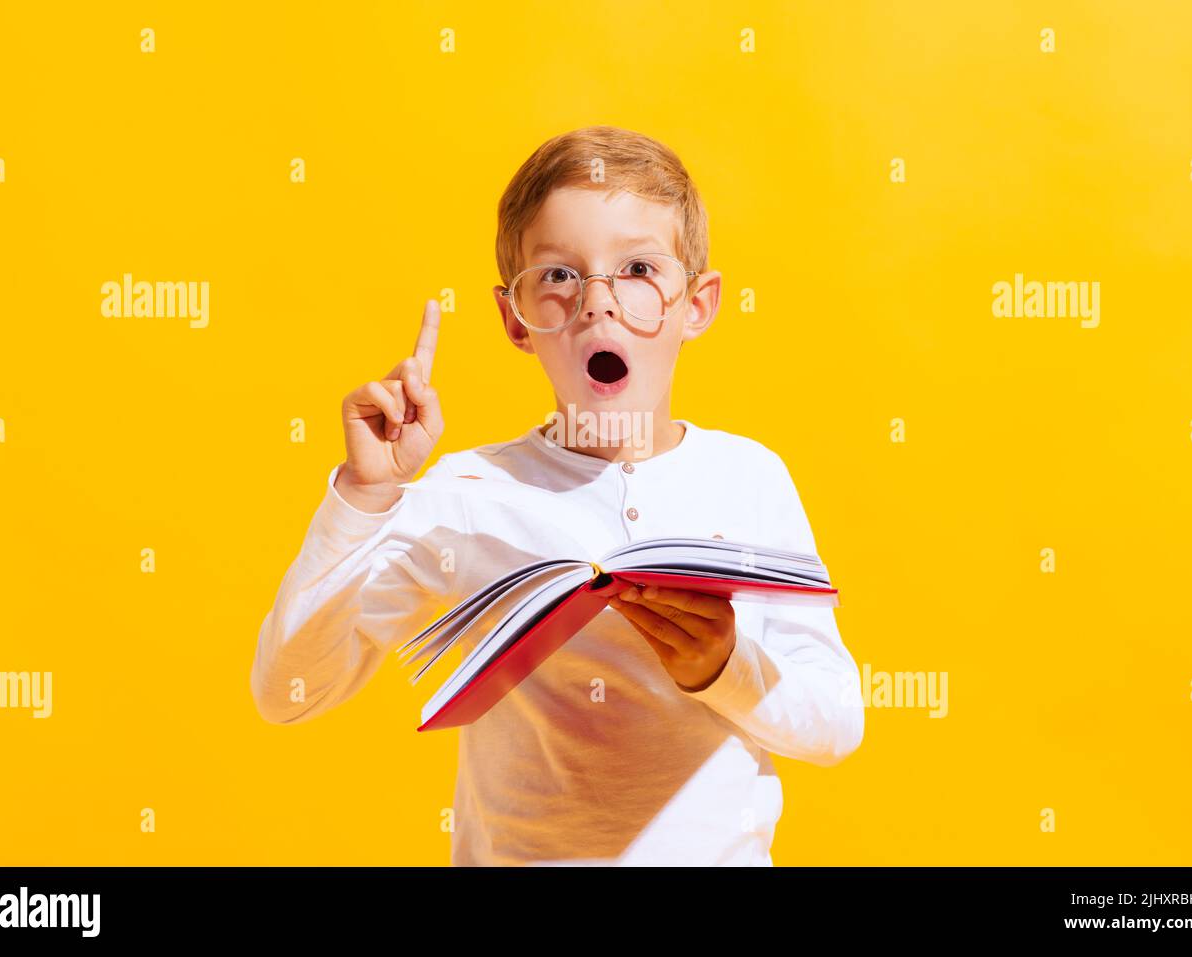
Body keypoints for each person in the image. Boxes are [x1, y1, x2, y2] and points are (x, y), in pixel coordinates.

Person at [250, 125, 864, 865]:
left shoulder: (750, 477)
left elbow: (836, 723)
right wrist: (365, 495)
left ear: (695, 305)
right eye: (559, 276)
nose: (597, 305)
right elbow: (287, 690)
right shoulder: (464, 494)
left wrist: (723, 666)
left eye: (637, 267)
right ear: (516, 319)